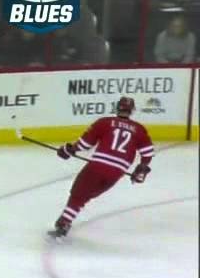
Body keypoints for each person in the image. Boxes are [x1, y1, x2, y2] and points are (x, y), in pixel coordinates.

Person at [48, 96, 154, 240]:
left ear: (117, 107)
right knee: (85, 195)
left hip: (97, 166)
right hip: (117, 172)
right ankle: (65, 221)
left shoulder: (104, 122)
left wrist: (69, 149)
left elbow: (85, 144)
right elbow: (147, 153)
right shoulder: (139, 129)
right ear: (132, 110)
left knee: (79, 194)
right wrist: (141, 169)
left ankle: (64, 224)